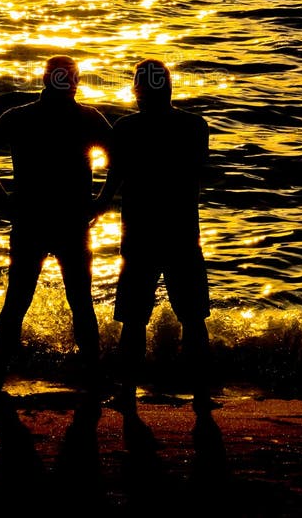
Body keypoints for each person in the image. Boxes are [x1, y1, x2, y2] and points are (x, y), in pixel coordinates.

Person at [0, 55, 112, 399]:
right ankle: (93, 376)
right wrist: (103, 199)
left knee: (20, 299)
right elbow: (121, 158)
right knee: (76, 300)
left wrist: (1, 199)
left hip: (35, 219)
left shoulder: (22, 116)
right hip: (67, 220)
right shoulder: (85, 118)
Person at [93, 59, 212, 416]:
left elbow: (114, 179)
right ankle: (201, 393)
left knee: (133, 318)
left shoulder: (126, 128)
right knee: (193, 318)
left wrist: (96, 207)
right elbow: (198, 173)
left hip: (140, 233)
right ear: (170, 89)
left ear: (136, 92)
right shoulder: (194, 126)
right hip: (181, 231)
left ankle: (127, 393)